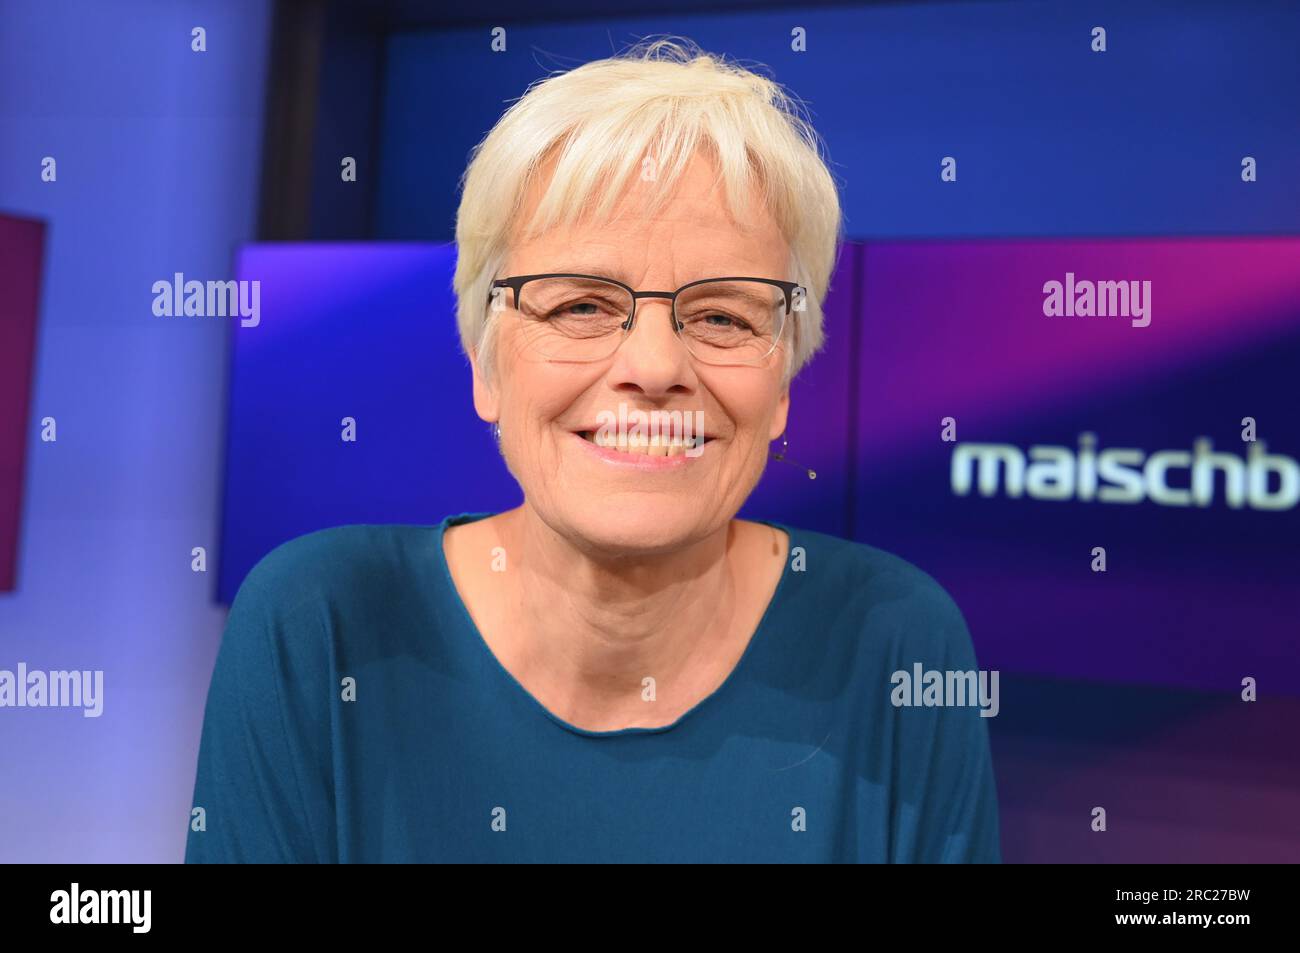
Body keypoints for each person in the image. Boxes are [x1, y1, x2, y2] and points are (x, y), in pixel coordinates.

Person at [185, 38, 1000, 863]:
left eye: (723, 316)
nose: (654, 367)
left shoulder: (897, 638)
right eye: (580, 305)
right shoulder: (319, 624)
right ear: (485, 365)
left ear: (784, 378)